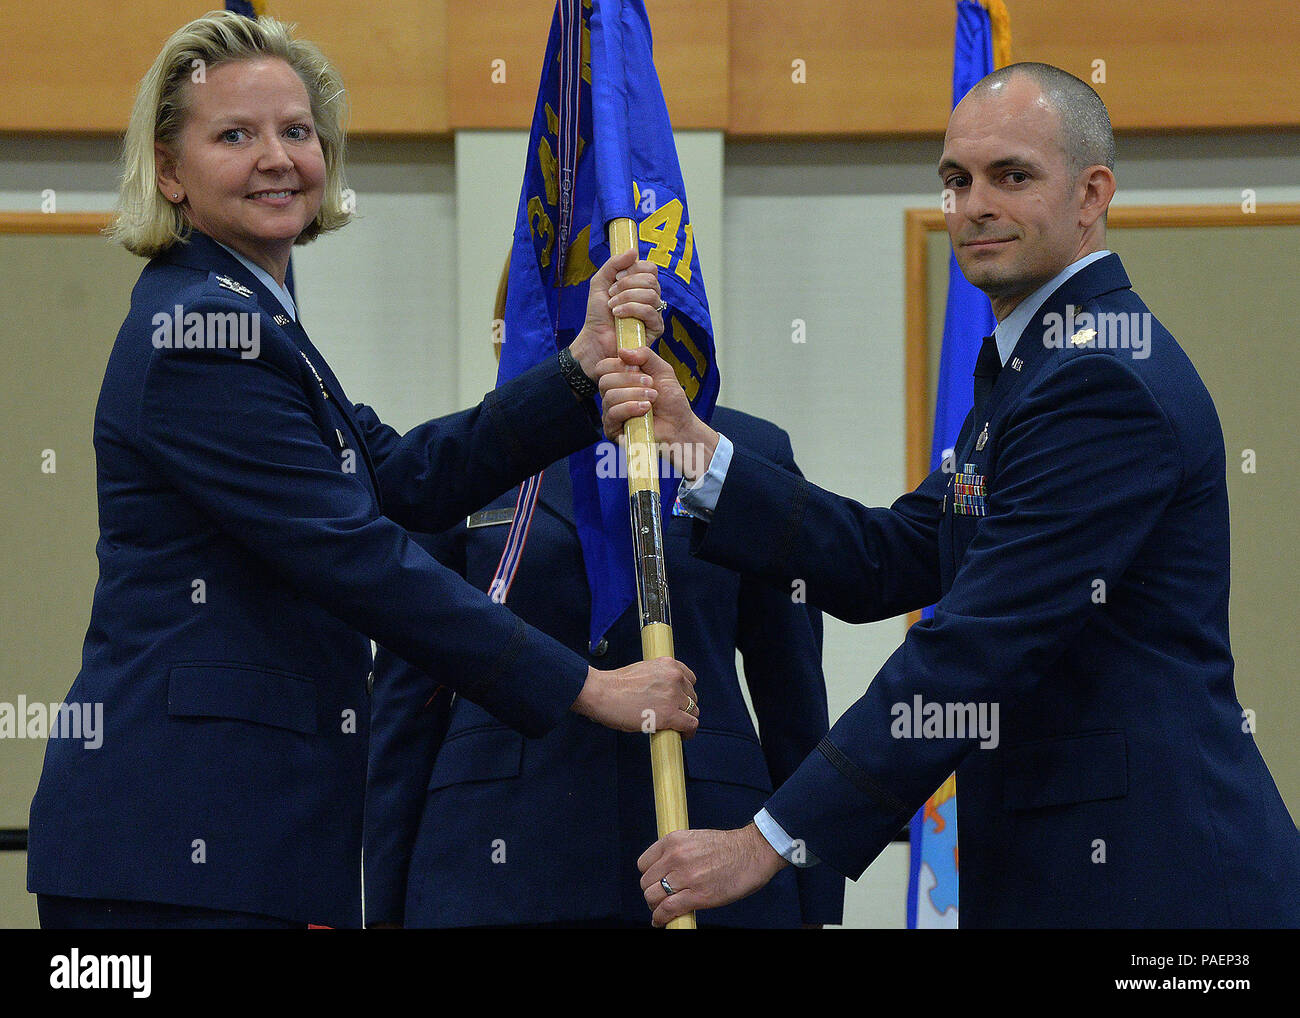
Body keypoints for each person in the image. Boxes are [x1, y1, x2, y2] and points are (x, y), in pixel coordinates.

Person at [25, 11, 697, 930]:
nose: (277, 157)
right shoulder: (200, 336)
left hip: (233, 847)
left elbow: (399, 475)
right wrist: (588, 687)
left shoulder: (254, 318)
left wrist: (577, 373)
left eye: (297, 131)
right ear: (170, 171)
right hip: (177, 855)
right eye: (235, 135)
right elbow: (361, 555)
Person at [597, 62, 1300, 928]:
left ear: (1092, 194)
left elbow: (975, 647)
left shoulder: (1099, 380)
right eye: (956, 181)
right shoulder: (1037, 366)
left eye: (1011, 176)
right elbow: (891, 555)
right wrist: (696, 448)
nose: (972, 206)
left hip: (1161, 884)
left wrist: (770, 838)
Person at [363, 270, 844, 928]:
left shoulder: (740, 454)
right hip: (496, 860)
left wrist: (811, 897)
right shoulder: (456, 464)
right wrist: (382, 904)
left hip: (704, 844)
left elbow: (792, 699)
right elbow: (404, 709)